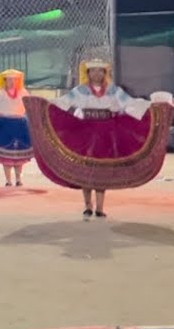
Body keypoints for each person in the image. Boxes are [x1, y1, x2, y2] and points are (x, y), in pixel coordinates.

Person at [38, 59, 163, 219]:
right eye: (93, 70)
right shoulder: (81, 90)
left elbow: (129, 103)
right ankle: (87, 205)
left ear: (105, 73)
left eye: (100, 70)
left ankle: (100, 207)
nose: (97, 73)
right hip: (86, 130)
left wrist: (151, 106)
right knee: (85, 168)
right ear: (88, 73)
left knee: (102, 170)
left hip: (107, 131)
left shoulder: (113, 90)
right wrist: (43, 104)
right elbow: (63, 102)